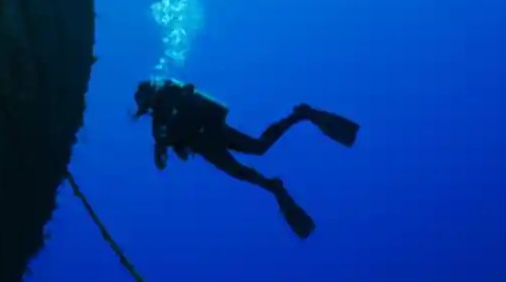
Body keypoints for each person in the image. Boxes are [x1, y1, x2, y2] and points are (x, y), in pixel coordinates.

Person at [132, 78, 359, 239]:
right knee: (252, 159)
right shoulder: (158, 124)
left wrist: (164, 146)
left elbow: (186, 105)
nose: (147, 105)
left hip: (210, 136)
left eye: (145, 99)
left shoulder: (170, 94)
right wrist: (162, 148)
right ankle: (274, 184)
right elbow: (162, 160)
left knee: (258, 151)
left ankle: (300, 116)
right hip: (207, 142)